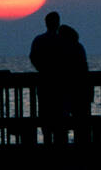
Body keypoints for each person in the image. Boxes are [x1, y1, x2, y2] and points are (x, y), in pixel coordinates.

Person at [29, 11, 64, 144]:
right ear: (57, 23)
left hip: (44, 81)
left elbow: (33, 57)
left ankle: (47, 141)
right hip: (60, 83)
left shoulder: (39, 40)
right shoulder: (62, 40)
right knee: (60, 115)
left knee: (45, 114)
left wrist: (42, 69)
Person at [57, 24, 92, 143]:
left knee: (63, 123)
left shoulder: (63, 49)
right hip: (82, 89)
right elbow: (84, 68)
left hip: (68, 90)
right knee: (82, 123)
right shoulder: (79, 47)